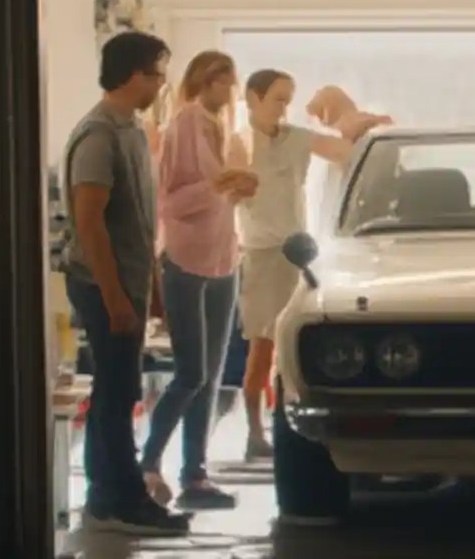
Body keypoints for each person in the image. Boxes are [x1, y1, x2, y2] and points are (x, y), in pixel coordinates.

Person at [62, 31, 190, 535]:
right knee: (117, 397)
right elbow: (89, 222)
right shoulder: (98, 135)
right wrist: (115, 295)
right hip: (101, 285)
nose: (161, 84)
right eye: (158, 74)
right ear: (136, 74)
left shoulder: (132, 130)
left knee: (119, 393)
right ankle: (124, 501)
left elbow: (137, 218)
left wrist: (150, 284)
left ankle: (105, 495)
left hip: (128, 282)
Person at [228, 70, 388, 461]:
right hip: (261, 254)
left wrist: (364, 127)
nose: (283, 108)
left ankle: (286, 428)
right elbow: (231, 189)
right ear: (253, 98)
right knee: (261, 349)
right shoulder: (238, 142)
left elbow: (344, 153)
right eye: (277, 99)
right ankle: (254, 431)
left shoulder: (297, 139)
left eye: (288, 100)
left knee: (292, 348)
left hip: (295, 252)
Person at [139, 51, 257, 510]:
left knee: (209, 378)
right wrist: (222, 185)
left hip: (223, 258)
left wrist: (238, 187)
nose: (230, 93)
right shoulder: (185, 124)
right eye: (224, 84)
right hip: (187, 260)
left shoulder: (220, 127)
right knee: (190, 373)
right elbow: (172, 202)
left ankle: (195, 474)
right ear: (205, 82)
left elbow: (219, 195)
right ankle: (148, 462)